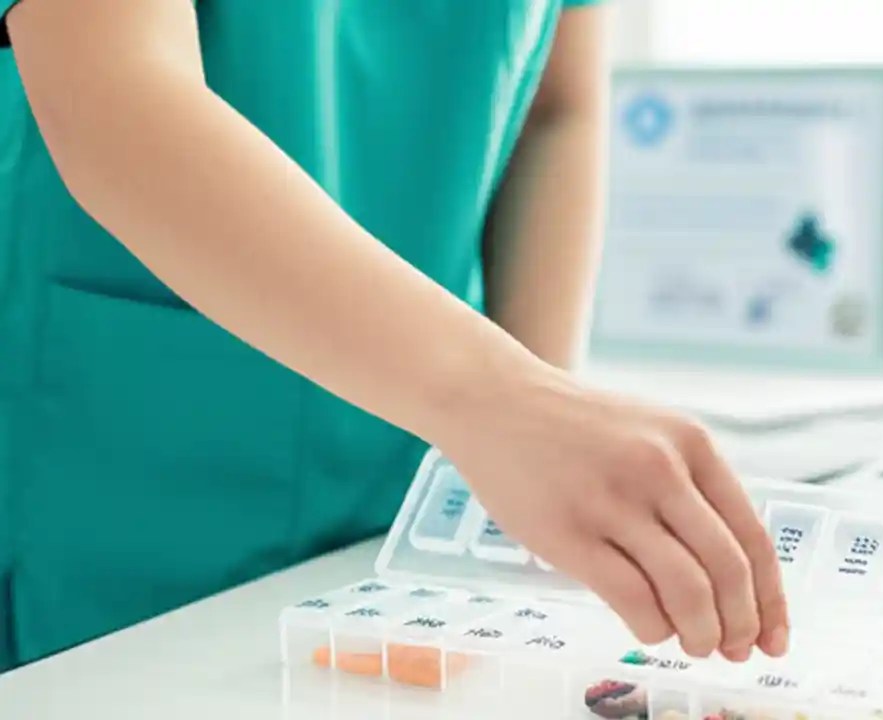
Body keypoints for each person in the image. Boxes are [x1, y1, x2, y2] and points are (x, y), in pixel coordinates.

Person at [0, 0, 788, 672]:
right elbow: (114, 88)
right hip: (112, 472)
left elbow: (557, 105)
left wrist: (533, 444)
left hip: (415, 471)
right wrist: (503, 402)